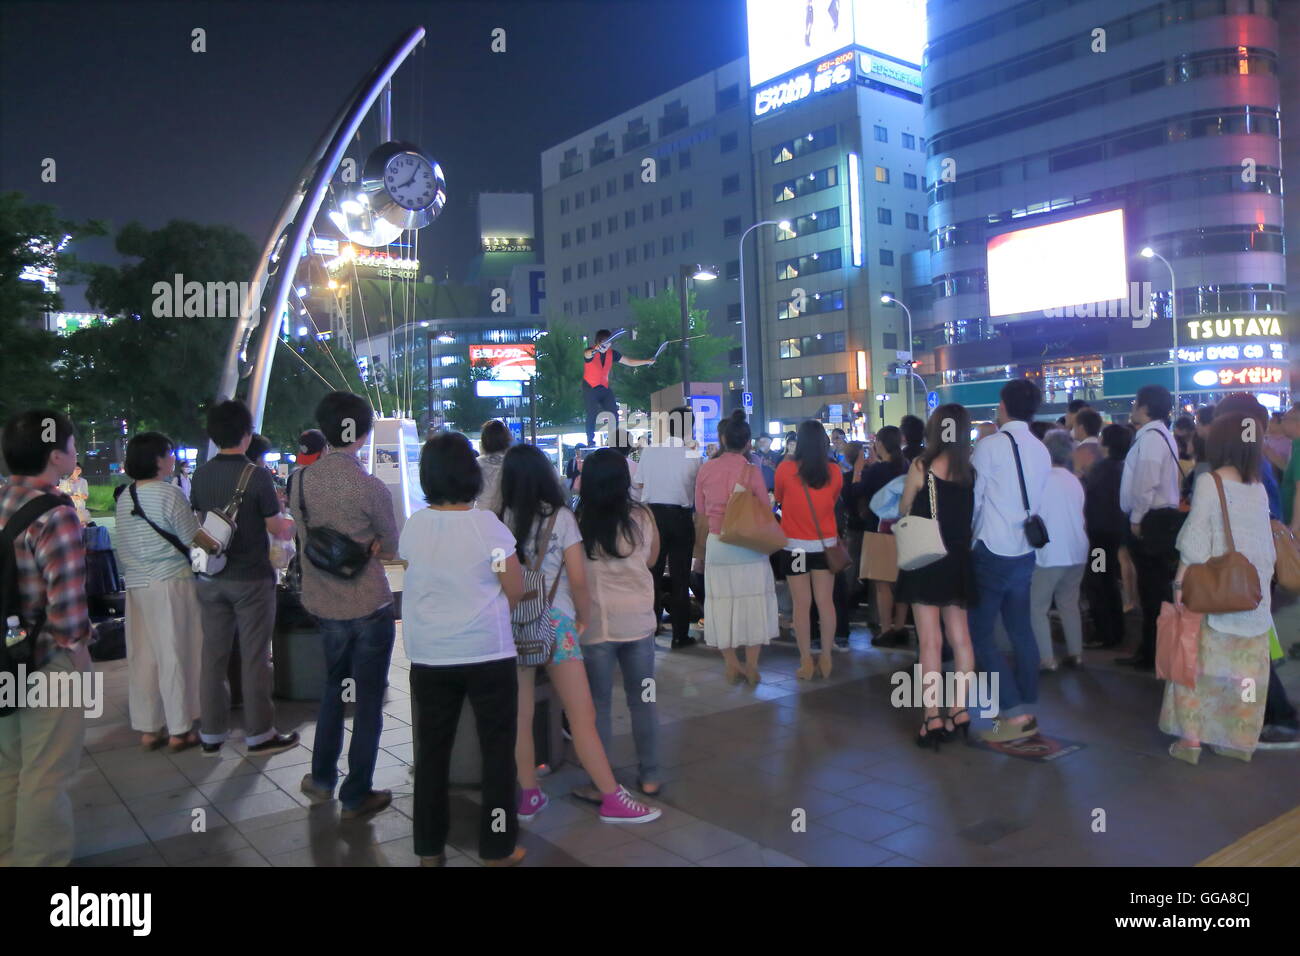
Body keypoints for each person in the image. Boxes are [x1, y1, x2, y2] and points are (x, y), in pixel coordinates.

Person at [499, 444, 660, 822]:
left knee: (521, 715)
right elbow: (577, 580)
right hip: (563, 623)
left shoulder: (497, 520)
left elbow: (499, 577)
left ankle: (528, 795)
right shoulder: (564, 518)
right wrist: (581, 618)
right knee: (590, 713)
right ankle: (617, 792)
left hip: (518, 624)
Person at [401, 433, 526, 866]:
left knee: (432, 754)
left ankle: (429, 849)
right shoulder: (488, 527)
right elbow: (514, 586)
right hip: (488, 654)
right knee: (497, 754)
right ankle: (496, 847)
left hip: (430, 656)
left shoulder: (415, 527)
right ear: (471, 474)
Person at [292, 391, 400, 820]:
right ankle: (357, 793)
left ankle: (320, 778)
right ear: (363, 432)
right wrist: (371, 544)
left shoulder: (299, 481)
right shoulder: (370, 487)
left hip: (322, 603)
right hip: (369, 605)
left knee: (333, 690)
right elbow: (389, 547)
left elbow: (304, 536)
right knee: (369, 702)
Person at [0, 410, 92, 866]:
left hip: (3, 656)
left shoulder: (1, 499)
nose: (75, 452)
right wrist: (82, 661)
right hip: (45, 660)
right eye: (72, 445)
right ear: (56, 456)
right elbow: (68, 609)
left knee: (10, 768)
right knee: (47, 772)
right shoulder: (57, 514)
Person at [1163, 413, 1275, 765]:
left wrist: (1179, 589)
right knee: (1245, 675)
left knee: (1195, 669)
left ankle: (1192, 742)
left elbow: (1196, 544)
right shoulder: (1257, 488)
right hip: (1252, 597)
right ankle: (1235, 742)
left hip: (1213, 594)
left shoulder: (1211, 482)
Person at [191, 400, 299, 757]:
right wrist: (291, 525)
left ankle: (211, 733)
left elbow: (201, 520)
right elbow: (275, 526)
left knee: (213, 655)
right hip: (250, 579)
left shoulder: (201, 474)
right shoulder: (257, 475)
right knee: (255, 656)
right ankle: (259, 734)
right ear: (247, 433)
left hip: (210, 577)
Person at [116, 432, 219, 753]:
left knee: (144, 655)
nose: (174, 458)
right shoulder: (168, 493)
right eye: (170, 453)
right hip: (171, 583)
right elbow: (194, 538)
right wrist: (216, 541)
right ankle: (180, 729)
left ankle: (149, 727)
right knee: (176, 652)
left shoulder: (125, 496)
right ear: (159, 460)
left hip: (136, 586)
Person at [967, 379, 1052, 742]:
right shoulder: (1041, 448)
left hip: (990, 549)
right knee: (1021, 631)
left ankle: (1013, 713)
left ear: (1004, 406)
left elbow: (975, 498)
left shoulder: (989, 447)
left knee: (980, 634)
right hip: (1024, 550)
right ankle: (1027, 708)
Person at [576, 448, 663, 796]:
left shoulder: (578, 520)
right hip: (639, 623)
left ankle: (603, 782)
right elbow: (653, 559)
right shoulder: (642, 516)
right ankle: (651, 775)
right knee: (643, 701)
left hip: (596, 626)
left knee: (597, 706)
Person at [894, 404, 977, 749]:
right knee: (961, 639)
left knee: (930, 641)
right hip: (959, 559)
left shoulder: (921, 467)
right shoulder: (969, 472)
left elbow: (903, 509)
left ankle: (933, 718)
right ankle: (960, 710)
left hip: (928, 557)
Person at [694, 409, 778, 684]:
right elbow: (766, 507)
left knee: (721, 604)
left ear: (721, 439)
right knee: (754, 601)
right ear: (747, 443)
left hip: (718, 543)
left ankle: (731, 664)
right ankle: (752, 664)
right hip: (747, 544)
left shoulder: (706, 469)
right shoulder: (750, 470)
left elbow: (700, 510)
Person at [1118, 384, 1182, 671]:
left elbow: (1147, 482)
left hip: (1150, 519)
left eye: (1135, 402)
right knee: (1154, 587)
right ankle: (1154, 650)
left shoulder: (1152, 437)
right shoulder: (1159, 434)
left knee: (1152, 590)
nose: (1133, 407)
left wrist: (1136, 518)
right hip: (1156, 518)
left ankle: (1154, 652)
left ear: (1144, 407)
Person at [775, 420, 843, 680]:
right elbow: (833, 499)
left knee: (801, 605)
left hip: (795, 547)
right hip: (825, 545)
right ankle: (826, 657)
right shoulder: (834, 472)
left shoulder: (785, 469)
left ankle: (805, 661)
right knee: (826, 603)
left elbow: (779, 498)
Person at [633, 406, 702, 649]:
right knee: (681, 577)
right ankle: (680, 636)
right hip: (681, 518)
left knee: (651, 574)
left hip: (653, 518)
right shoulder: (692, 453)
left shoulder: (650, 451)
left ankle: (650, 630)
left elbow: (639, 485)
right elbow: (697, 487)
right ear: (690, 427)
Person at [1031, 430, 1088, 671]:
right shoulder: (1073, 479)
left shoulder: (1040, 478)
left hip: (1051, 553)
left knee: (1037, 606)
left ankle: (1047, 658)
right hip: (1078, 549)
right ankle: (1076, 653)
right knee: (1069, 603)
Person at [852, 425, 908, 646]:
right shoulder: (907, 466)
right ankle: (901, 627)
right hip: (905, 530)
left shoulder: (876, 471)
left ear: (880, 445)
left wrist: (858, 469)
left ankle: (886, 630)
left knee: (883, 583)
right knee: (902, 582)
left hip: (880, 529)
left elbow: (856, 492)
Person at [1082, 424, 1132, 650]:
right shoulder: (1125, 467)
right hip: (1115, 532)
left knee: (1099, 581)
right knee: (1108, 581)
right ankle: (1115, 630)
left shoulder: (1102, 469)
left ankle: (1105, 632)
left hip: (1099, 536)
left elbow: (1089, 499)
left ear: (1106, 444)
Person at [581, 329, 655, 445]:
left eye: (609, 342)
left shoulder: (612, 354)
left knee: (613, 413)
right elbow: (587, 354)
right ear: (598, 342)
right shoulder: (590, 352)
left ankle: (613, 438)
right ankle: (590, 440)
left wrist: (646, 361)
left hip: (604, 388)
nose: (607, 345)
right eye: (604, 343)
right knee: (592, 413)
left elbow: (629, 362)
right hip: (590, 387)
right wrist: (595, 349)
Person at [474, 419, 512, 515]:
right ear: (507, 439)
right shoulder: (513, 462)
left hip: (482, 516)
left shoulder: (476, 463)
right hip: (507, 517)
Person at [1071, 408, 1104, 478]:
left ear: (1081, 428)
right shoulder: (1105, 450)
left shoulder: (1076, 453)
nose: (1073, 430)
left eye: (1074, 426)